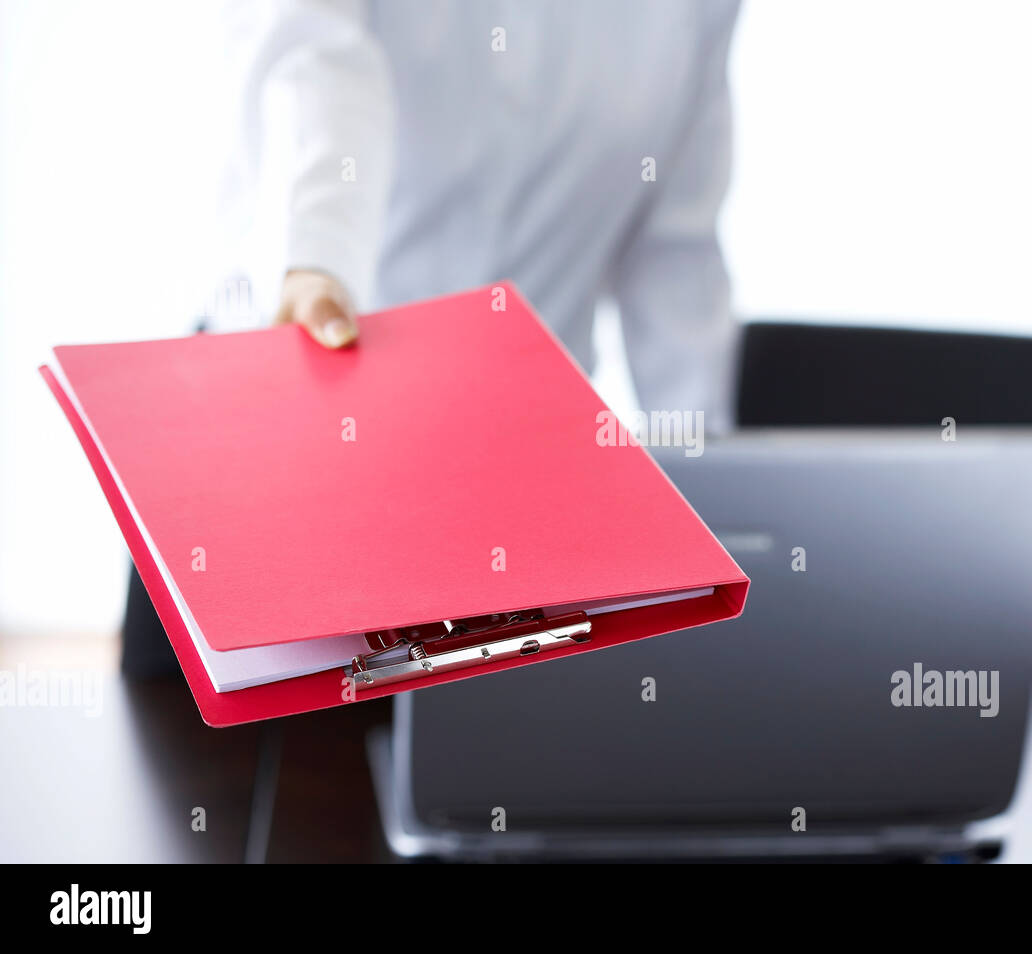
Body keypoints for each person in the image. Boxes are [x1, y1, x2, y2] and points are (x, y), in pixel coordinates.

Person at [122, 0, 742, 675]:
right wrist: (319, 254)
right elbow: (312, 54)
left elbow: (674, 253)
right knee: (209, 763)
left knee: (493, 768)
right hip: (272, 450)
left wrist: (718, 504)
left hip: (524, 513)